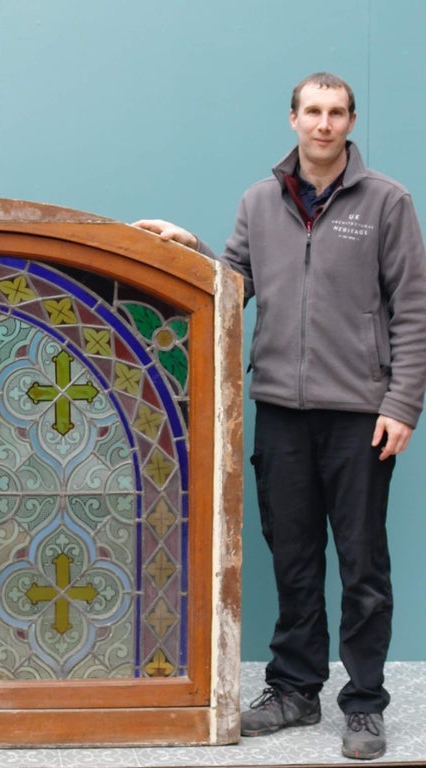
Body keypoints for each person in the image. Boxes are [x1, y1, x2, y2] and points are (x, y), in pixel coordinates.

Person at [134, 72, 426, 761]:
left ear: (351, 121)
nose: (323, 124)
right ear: (293, 119)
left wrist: (403, 404)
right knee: (293, 559)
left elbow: (412, 311)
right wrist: (188, 248)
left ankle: (363, 705)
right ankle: (295, 690)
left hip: (360, 415)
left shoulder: (388, 203)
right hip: (281, 413)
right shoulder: (260, 201)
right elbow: (232, 290)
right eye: (312, 111)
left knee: (362, 565)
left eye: (336, 113)